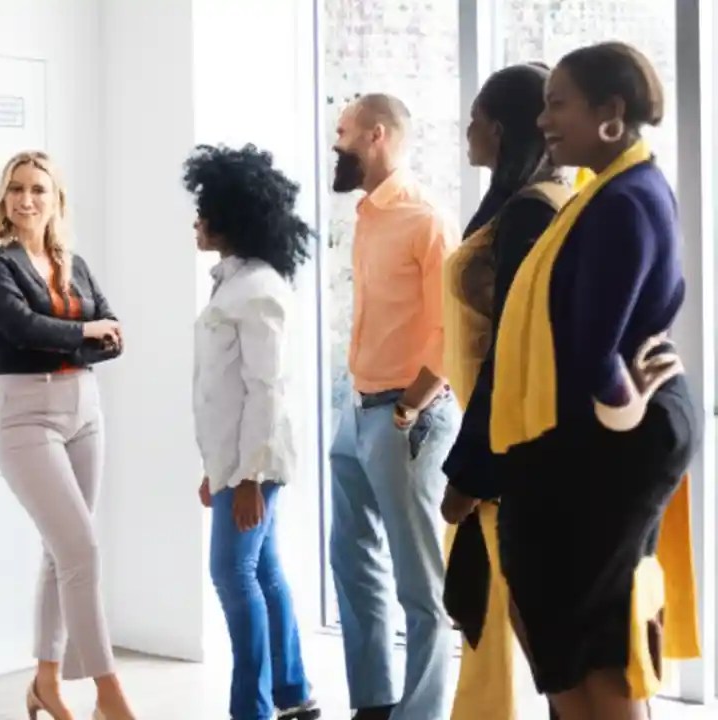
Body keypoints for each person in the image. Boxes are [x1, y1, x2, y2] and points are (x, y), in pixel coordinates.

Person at [479, 41, 701, 720]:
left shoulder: (623, 200)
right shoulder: (605, 192)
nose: (545, 119)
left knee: (593, 638)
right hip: (599, 432)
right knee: (566, 629)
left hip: (611, 440)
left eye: (558, 103)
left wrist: (625, 408)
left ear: (610, 113)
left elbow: (593, 346)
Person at [0, 150, 132, 720]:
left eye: (38, 189)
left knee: (61, 552)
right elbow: (14, 326)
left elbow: (114, 334)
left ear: (56, 199)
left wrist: (72, 336)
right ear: (3, 196)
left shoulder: (72, 261)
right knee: (81, 549)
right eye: (16, 189)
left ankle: (45, 681)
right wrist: (82, 330)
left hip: (86, 408)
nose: (26, 200)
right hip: (24, 412)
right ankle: (109, 694)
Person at [438, 63, 573, 720]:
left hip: (510, 449)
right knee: (515, 623)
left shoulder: (529, 214)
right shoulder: (532, 203)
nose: (466, 128)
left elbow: (513, 353)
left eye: (474, 117)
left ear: (497, 128)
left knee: (547, 640)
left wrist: (473, 468)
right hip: (506, 443)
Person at [327, 94, 461, 720]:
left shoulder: (425, 218)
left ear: (375, 136)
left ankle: (423, 713)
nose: (335, 139)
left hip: (407, 417)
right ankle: (375, 704)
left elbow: (451, 331)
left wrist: (409, 407)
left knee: (419, 585)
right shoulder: (368, 215)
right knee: (353, 563)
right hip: (357, 412)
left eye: (343, 130)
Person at [184, 143, 321, 720]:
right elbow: (226, 390)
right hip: (236, 462)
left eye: (206, 209)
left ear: (231, 216)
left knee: (231, 572)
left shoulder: (258, 290)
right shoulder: (235, 282)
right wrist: (218, 470)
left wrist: (248, 478)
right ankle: (292, 694)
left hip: (254, 465)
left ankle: (253, 710)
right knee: (262, 570)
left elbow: (268, 390)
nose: (197, 220)